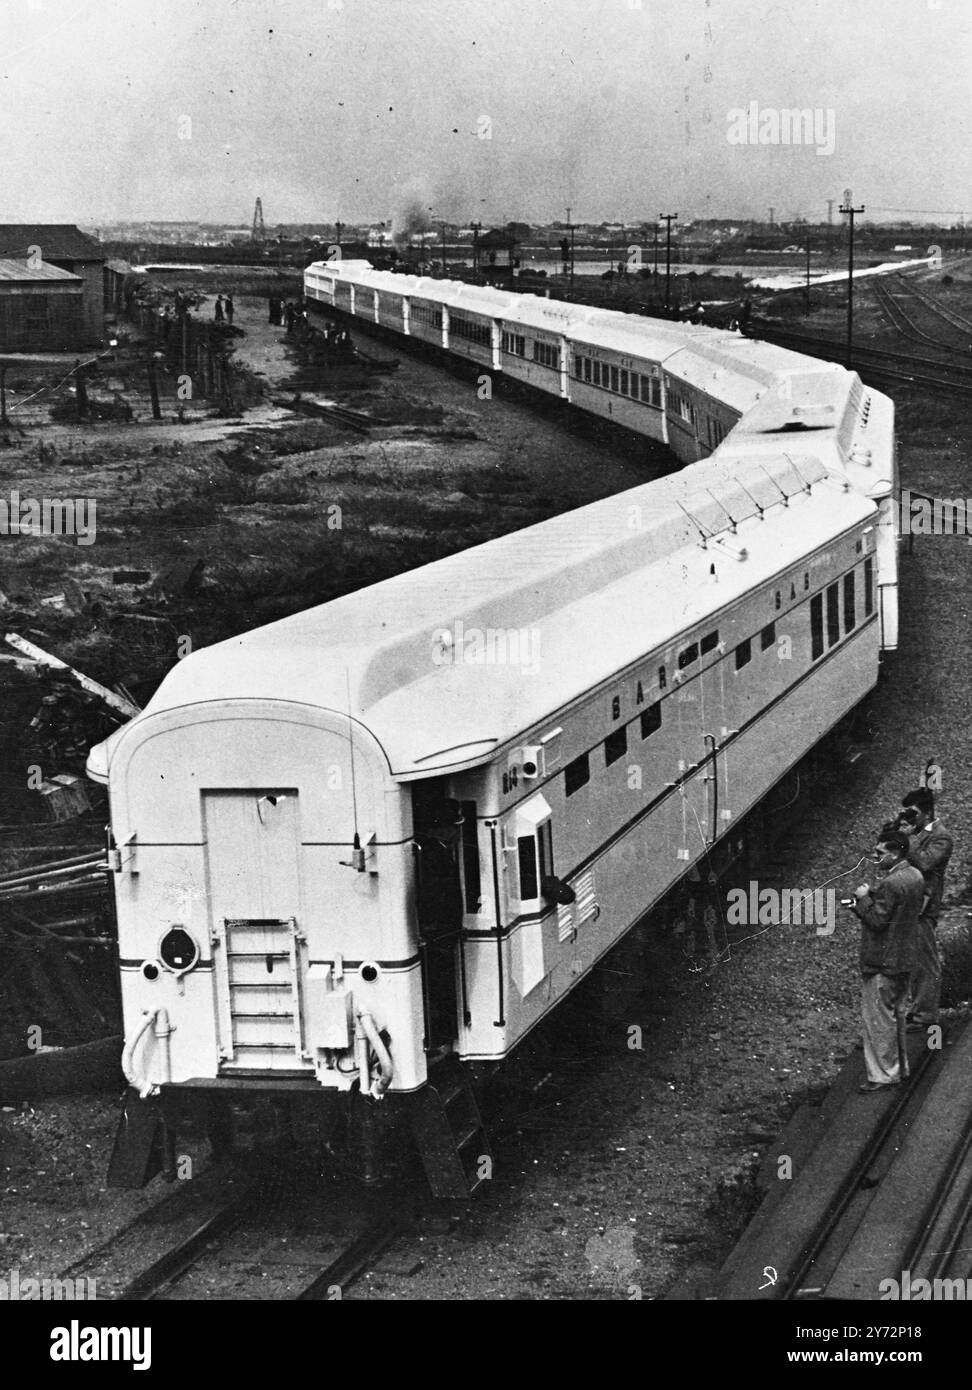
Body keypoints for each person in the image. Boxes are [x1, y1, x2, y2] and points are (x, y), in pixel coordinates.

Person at [851, 830, 924, 1092]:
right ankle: (899, 1067)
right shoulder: (915, 875)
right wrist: (875, 895)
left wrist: (863, 899)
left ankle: (882, 1076)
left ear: (895, 854)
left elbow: (878, 921)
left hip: (883, 961)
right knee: (897, 1016)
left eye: (880, 852)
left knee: (878, 1020)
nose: (875, 856)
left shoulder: (891, 883)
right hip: (905, 957)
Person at [901, 788, 953, 1028]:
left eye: (913, 813)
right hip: (911, 903)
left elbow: (924, 862)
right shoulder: (920, 833)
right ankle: (918, 1008)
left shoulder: (942, 837)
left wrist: (906, 840)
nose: (909, 818)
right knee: (913, 960)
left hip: (924, 905)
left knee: (925, 961)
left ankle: (926, 1015)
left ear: (928, 812)